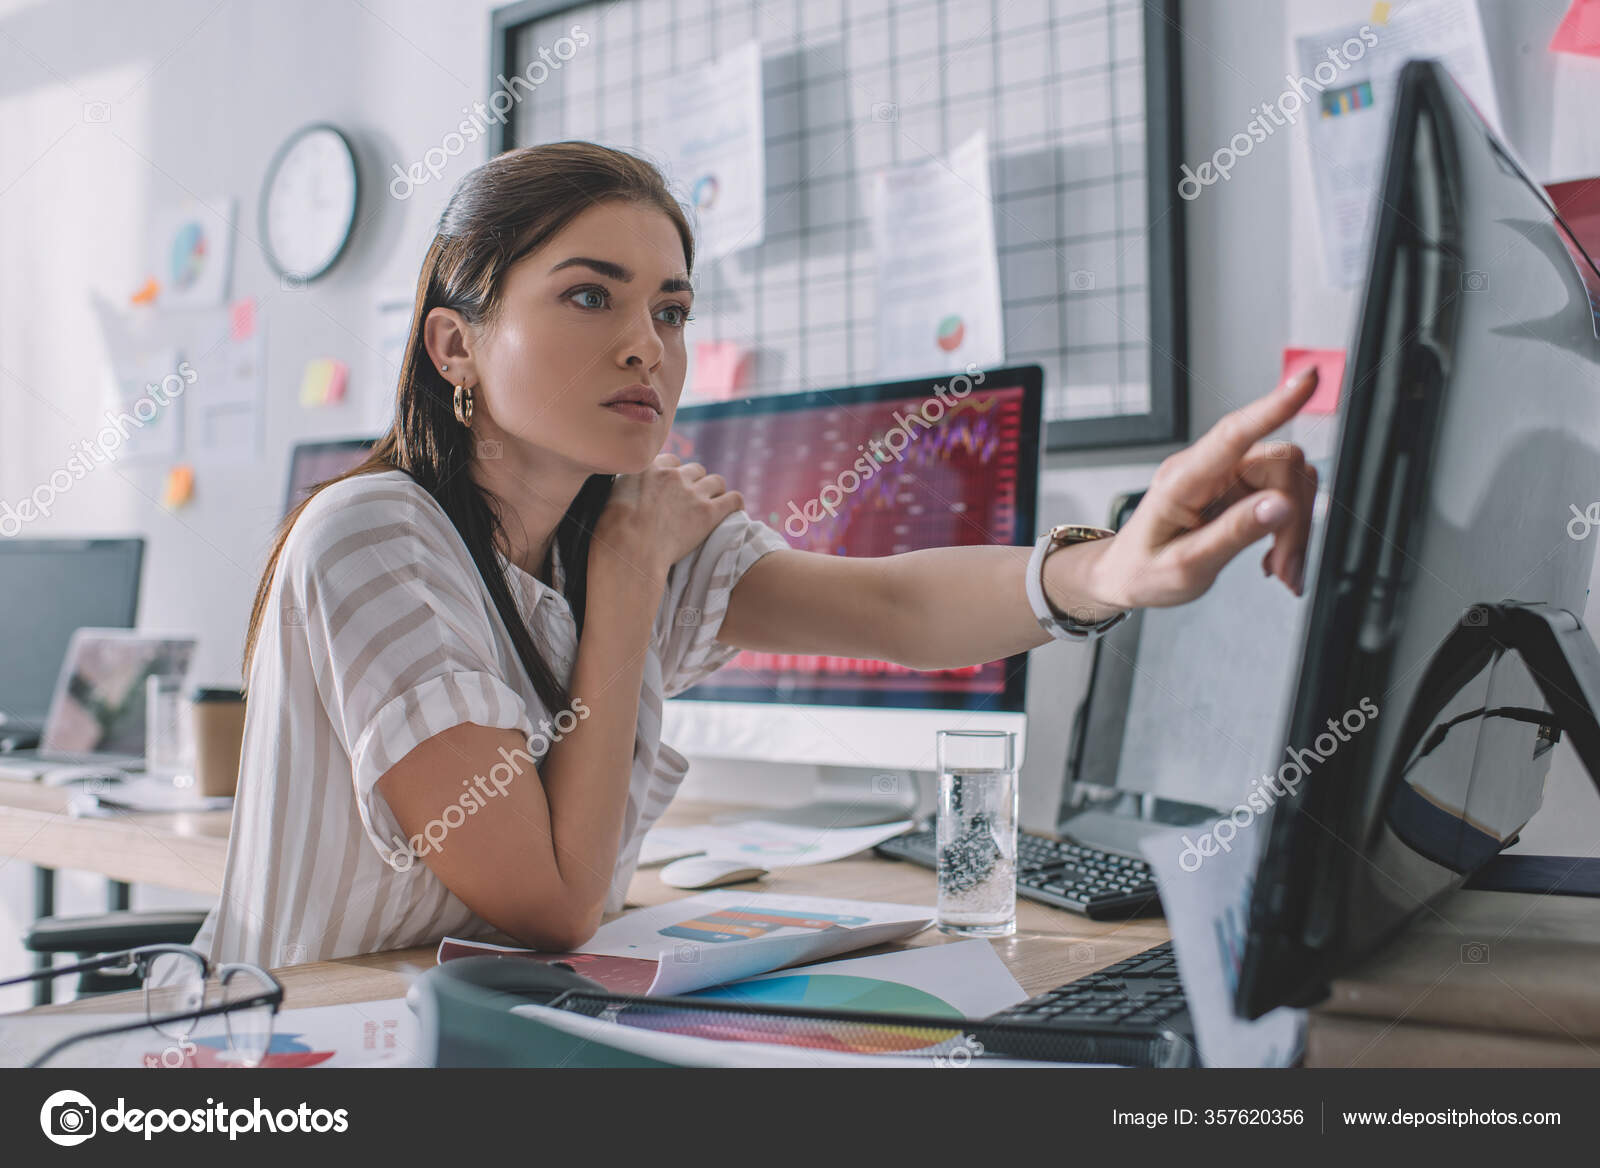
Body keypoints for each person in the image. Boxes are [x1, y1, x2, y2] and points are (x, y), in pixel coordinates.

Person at [191, 141, 1318, 968]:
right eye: (590, 295)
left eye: (672, 311)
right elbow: (554, 903)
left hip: (472, 1024)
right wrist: (627, 586)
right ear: (455, 343)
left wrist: (1110, 569)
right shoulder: (378, 536)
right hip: (306, 1048)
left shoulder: (628, 516)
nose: (646, 344)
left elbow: (890, 610)